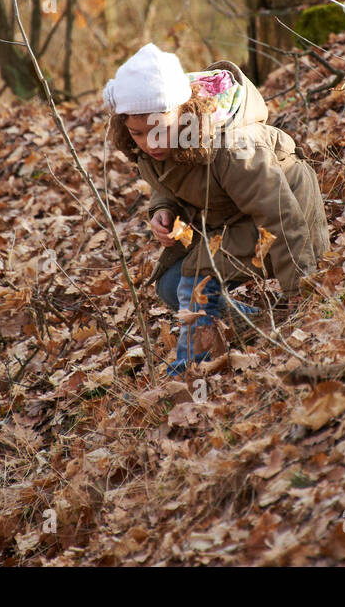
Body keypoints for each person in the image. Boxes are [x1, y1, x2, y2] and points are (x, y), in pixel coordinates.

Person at [103, 43, 330, 376]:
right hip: (231, 221)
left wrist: (303, 293)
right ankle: (254, 325)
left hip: (288, 219)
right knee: (169, 284)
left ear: (182, 111)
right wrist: (162, 208)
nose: (149, 144)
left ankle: (188, 368)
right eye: (138, 134)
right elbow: (166, 182)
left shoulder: (231, 146)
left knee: (194, 276)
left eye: (157, 130)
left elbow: (281, 215)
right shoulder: (154, 145)